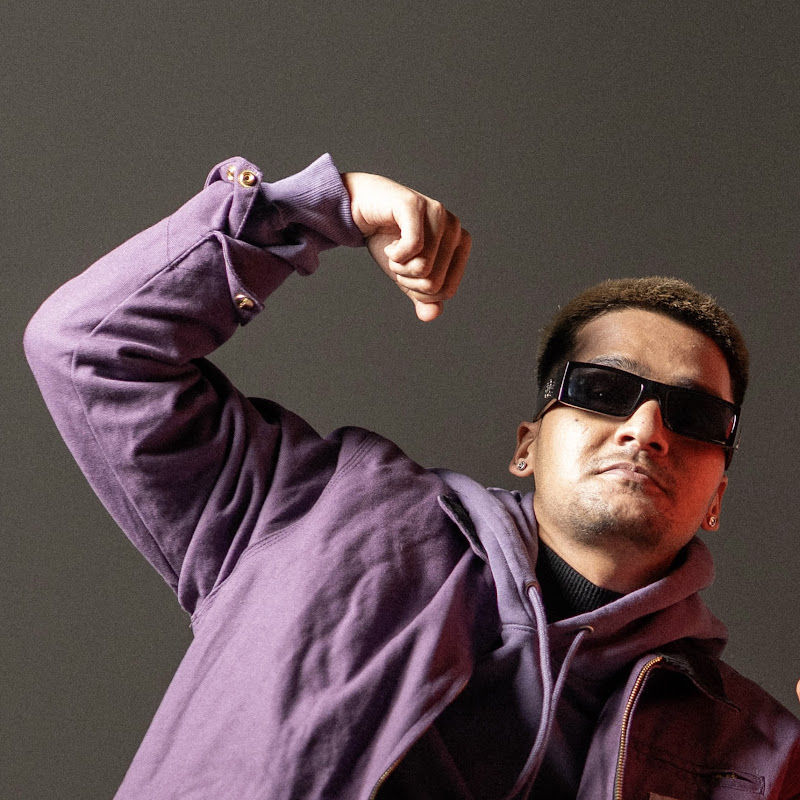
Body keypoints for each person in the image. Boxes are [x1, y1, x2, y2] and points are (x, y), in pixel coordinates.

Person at [25, 154, 800, 799]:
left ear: (718, 498)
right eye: (603, 390)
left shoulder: (757, 752)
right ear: (527, 446)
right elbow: (86, 349)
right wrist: (311, 211)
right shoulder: (311, 506)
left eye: (695, 417)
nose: (646, 429)